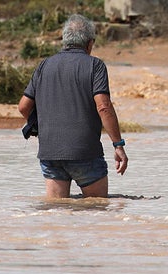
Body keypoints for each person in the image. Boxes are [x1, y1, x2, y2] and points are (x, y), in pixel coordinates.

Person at [18, 14, 128, 199]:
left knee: (57, 212)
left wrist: (38, 126)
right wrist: (118, 145)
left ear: (64, 40)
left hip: (50, 153)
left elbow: (23, 107)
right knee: (97, 209)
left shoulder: (44, 65)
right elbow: (104, 107)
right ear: (90, 43)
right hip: (84, 151)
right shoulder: (95, 65)